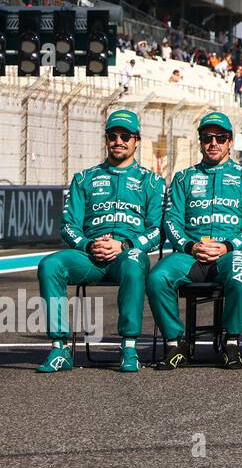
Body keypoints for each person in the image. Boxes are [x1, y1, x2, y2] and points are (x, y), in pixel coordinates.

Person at [36, 109, 165, 374]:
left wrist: (126, 245)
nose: (118, 141)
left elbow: (157, 231)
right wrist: (87, 244)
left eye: (125, 136)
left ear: (136, 140)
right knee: (50, 265)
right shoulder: (84, 179)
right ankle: (60, 348)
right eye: (112, 135)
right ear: (106, 139)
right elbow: (68, 226)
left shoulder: (151, 181)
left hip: (127, 254)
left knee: (133, 260)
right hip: (89, 256)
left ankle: (129, 347)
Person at [148, 112, 242, 370]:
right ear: (200, 141)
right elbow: (171, 221)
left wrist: (228, 246)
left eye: (220, 138)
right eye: (207, 138)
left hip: (228, 252)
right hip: (190, 253)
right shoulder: (183, 178)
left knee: (239, 277)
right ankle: (175, 343)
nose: (214, 143)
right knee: (157, 277)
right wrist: (190, 246)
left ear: (230, 141)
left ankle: (231, 342)